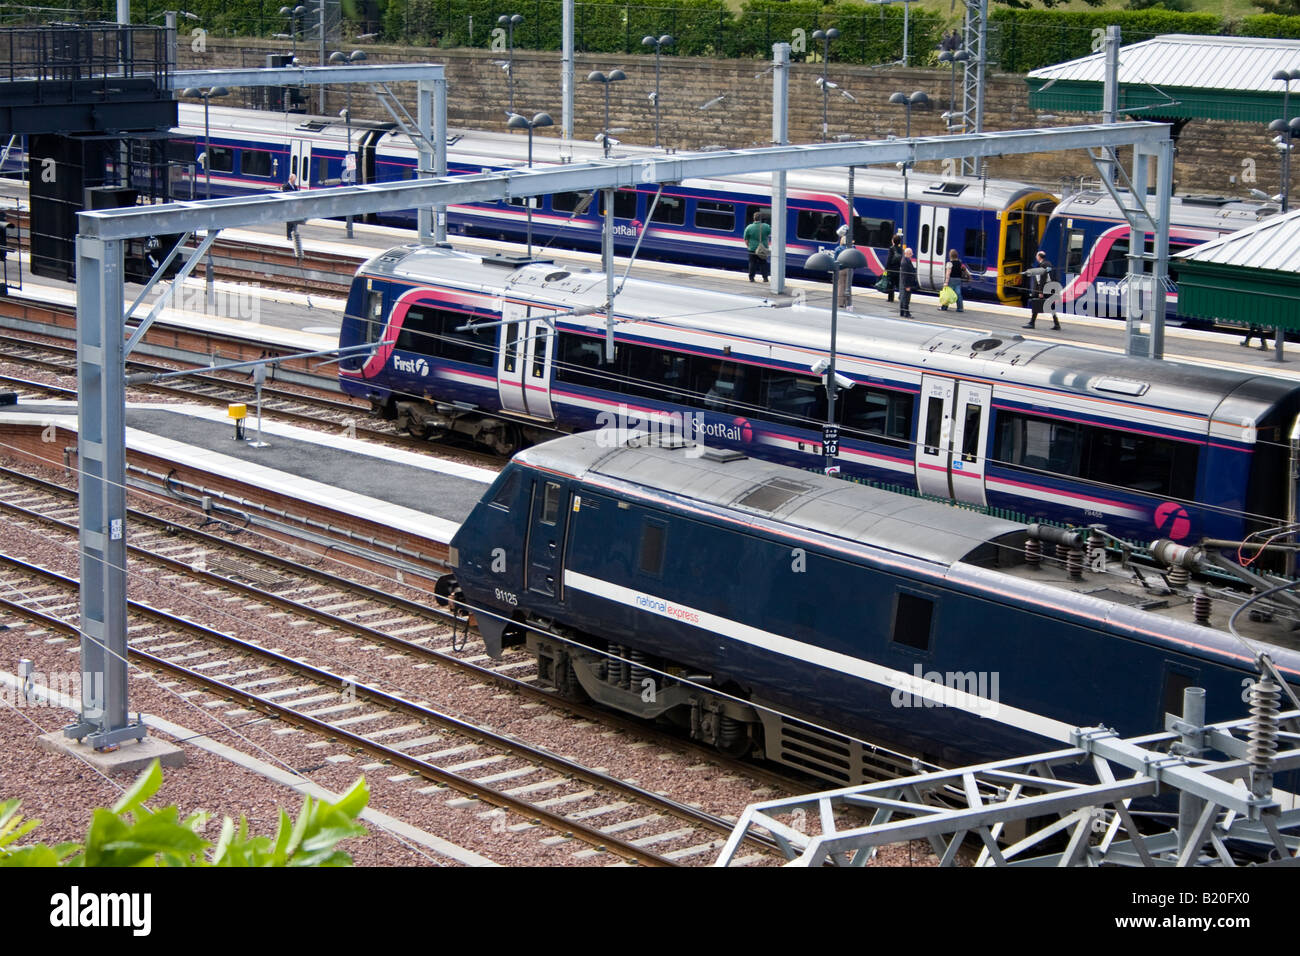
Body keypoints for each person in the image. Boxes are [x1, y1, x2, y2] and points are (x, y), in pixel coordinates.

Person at [1023, 250, 1059, 330]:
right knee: (1051, 306)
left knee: (1036, 304)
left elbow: (1042, 279)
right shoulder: (1049, 264)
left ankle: (1032, 323)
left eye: (1036, 256)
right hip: (1050, 288)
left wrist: (1040, 292)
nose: (1036, 257)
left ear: (1039, 257)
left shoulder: (1042, 265)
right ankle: (1057, 324)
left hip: (1044, 289)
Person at [744, 211, 771, 283]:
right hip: (763, 248)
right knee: (763, 263)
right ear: (761, 219)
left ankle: (751, 278)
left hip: (752, 248)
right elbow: (769, 233)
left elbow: (746, 239)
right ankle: (765, 278)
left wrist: (748, 246)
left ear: (754, 218)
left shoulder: (749, 227)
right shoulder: (766, 226)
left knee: (752, 263)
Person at [833, 223, 854, 307]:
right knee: (848, 286)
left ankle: (840, 303)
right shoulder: (852, 248)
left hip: (841, 269)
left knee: (841, 286)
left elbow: (835, 260)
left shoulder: (838, 249)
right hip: (849, 269)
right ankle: (848, 303)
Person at [942, 248, 967, 313]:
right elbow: (963, 270)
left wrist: (946, 282)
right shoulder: (960, 263)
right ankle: (960, 308)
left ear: (950, 255)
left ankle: (944, 307)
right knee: (958, 294)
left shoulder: (949, 263)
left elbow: (948, 273)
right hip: (958, 280)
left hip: (951, 280)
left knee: (948, 294)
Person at [899, 246, 919, 318]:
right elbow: (904, 275)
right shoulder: (905, 262)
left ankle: (902, 312)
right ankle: (906, 313)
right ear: (906, 253)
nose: (912, 254)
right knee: (906, 299)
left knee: (903, 298)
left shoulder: (906, 260)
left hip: (906, 283)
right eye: (910, 253)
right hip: (906, 284)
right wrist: (907, 286)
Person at [884, 232, 903, 304]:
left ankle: (890, 298)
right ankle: (902, 296)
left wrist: (886, 268)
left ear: (893, 241)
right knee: (898, 284)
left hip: (891, 269)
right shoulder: (901, 250)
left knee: (891, 283)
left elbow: (889, 259)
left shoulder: (891, 248)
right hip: (897, 269)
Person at [281, 174, 301, 241]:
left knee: (294, 222)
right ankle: (289, 236)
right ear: (291, 179)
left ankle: (294, 235)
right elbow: (285, 194)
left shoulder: (295, 187)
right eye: (294, 179)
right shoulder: (285, 186)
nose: (295, 180)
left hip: (294, 207)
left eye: (295, 179)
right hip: (288, 207)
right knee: (289, 222)